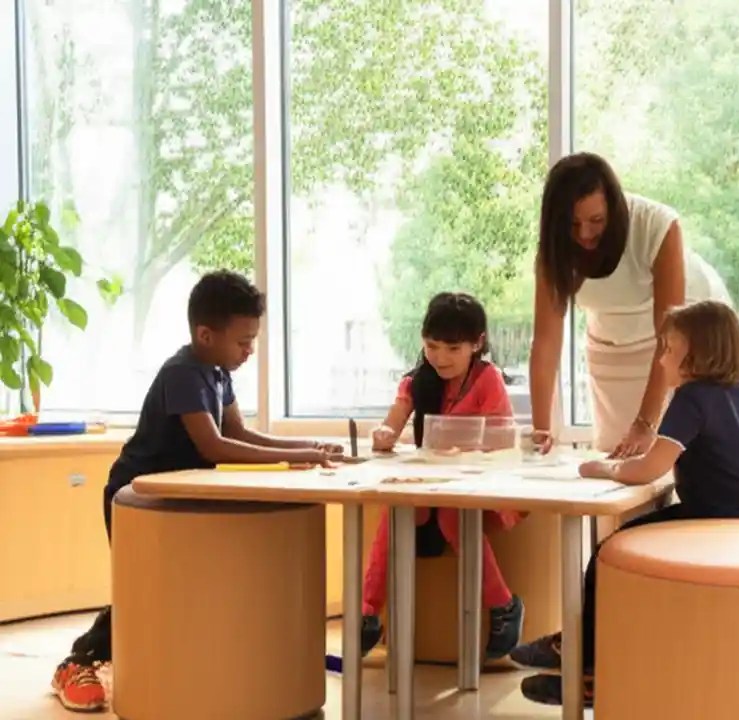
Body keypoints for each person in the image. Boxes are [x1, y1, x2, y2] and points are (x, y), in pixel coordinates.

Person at [50, 270, 345, 713]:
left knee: (177, 592)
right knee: (142, 592)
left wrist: (308, 448)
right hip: (139, 497)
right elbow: (215, 446)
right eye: (243, 342)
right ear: (206, 335)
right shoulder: (183, 373)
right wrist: (295, 457)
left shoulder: (218, 371)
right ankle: (77, 661)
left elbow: (239, 432)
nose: (249, 351)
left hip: (178, 499)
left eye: (252, 341)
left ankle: (174, 664)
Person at [512, 300, 739, 707]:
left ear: (697, 356)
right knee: (642, 536)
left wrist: (605, 469)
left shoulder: (691, 398)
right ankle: (582, 649)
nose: (661, 361)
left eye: (669, 350)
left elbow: (648, 469)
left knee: (607, 555)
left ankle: (584, 663)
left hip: (715, 522)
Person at [528, 152, 731, 462]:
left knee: (682, 449)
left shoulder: (657, 224)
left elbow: (669, 335)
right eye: (573, 224)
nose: (584, 234)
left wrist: (646, 424)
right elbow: (545, 343)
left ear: (614, 206)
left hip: (687, 327)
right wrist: (541, 430)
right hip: (613, 331)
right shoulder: (554, 251)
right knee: (616, 450)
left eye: (596, 221)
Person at [360, 292, 526, 659]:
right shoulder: (417, 382)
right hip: (429, 487)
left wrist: (463, 449)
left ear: (476, 344)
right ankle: (367, 614)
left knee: (453, 513)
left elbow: (503, 438)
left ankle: (503, 605)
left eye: (453, 348)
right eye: (432, 346)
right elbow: (390, 426)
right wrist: (384, 435)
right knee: (397, 509)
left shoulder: (487, 379)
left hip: (476, 488)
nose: (440, 358)